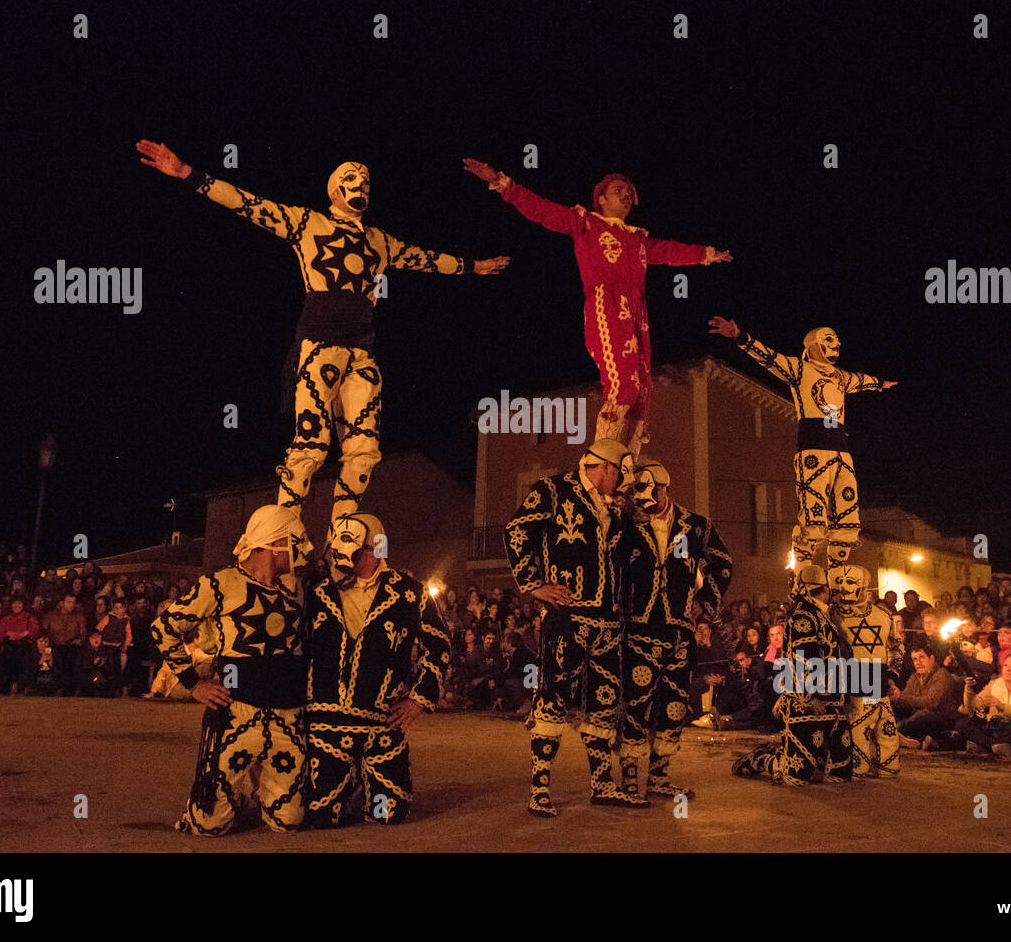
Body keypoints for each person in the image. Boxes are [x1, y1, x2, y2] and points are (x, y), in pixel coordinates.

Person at [138, 140, 509, 534]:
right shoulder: (307, 223)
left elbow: (425, 258)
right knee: (310, 447)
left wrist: (473, 267)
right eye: (352, 180)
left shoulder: (379, 241)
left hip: (361, 352)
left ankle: (343, 532)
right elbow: (250, 205)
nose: (361, 187)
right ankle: (281, 531)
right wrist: (188, 174)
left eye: (366, 182)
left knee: (364, 449)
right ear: (334, 190)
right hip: (319, 347)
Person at [464, 157, 731, 454]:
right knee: (623, 385)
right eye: (619, 190)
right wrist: (502, 183)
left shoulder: (638, 239)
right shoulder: (586, 223)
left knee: (641, 391)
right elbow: (540, 210)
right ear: (601, 198)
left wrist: (705, 254)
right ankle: (603, 456)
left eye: (630, 192)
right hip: (607, 304)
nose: (626, 195)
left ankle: (626, 464)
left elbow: (668, 251)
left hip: (637, 313)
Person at [152, 505, 311, 836]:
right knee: (208, 825)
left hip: (288, 716)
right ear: (276, 542)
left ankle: (254, 792)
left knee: (288, 822)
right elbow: (163, 629)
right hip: (236, 713)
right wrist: (194, 683)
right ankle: (234, 796)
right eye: (295, 542)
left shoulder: (297, 591)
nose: (301, 550)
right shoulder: (219, 584)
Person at [709, 316, 895, 590]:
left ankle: (837, 579)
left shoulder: (841, 377)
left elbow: (861, 380)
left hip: (842, 454)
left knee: (848, 520)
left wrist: (880, 383)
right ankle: (804, 579)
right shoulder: (798, 368)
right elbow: (769, 358)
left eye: (837, 341)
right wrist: (740, 336)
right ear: (814, 346)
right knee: (814, 521)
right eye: (829, 340)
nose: (837, 345)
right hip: (813, 452)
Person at [504, 438, 637, 815]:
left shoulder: (615, 506)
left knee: (604, 702)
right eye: (620, 473)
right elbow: (516, 531)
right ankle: (539, 787)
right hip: (567, 616)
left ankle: (602, 784)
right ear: (606, 468)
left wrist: (629, 517)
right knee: (554, 697)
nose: (622, 482)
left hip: (608, 620)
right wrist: (534, 584)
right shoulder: (552, 489)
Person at [303, 512, 450, 826]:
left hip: (381, 724)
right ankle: (348, 784)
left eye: (356, 545)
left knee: (388, 814)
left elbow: (439, 646)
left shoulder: (410, 593)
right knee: (322, 816)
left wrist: (419, 699)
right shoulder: (316, 590)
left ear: (377, 548)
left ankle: (364, 782)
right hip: (326, 725)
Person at [613, 459, 733, 802]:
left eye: (653, 491)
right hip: (638, 628)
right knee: (637, 703)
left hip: (680, 632)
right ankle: (632, 778)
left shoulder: (696, 527)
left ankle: (660, 777)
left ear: (668, 488)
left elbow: (723, 564)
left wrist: (705, 607)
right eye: (639, 492)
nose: (646, 499)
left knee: (673, 705)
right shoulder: (628, 525)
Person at [733, 564, 853, 785]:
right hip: (807, 701)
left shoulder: (823, 615)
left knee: (841, 771)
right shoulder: (803, 618)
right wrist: (810, 697)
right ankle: (762, 759)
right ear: (822, 589)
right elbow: (800, 660)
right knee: (797, 775)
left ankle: (800, 756)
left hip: (832, 699)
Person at [829, 565, 902, 777]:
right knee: (859, 721)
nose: (843, 588)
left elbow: (896, 647)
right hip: (855, 675)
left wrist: (891, 676)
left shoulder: (883, 615)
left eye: (850, 582)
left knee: (884, 722)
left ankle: (888, 766)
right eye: (840, 583)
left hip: (877, 676)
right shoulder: (834, 615)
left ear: (863, 587)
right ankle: (859, 767)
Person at [939, 654, 1011, 757]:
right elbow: (973, 707)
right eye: (1006, 665)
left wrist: (1002, 706)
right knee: (963, 724)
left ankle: (985, 746)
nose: (1008, 669)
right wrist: (969, 691)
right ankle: (995, 747)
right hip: (994, 730)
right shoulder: (995, 684)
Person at [891, 648, 959, 747]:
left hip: (943, 718)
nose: (918, 662)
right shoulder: (914, 677)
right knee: (893, 710)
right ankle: (912, 740)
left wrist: (902, 696)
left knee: (922, 715)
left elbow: (931, 702)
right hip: (918, 717)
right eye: (915, 659)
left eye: (921, 657)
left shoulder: (941, 675)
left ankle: (894, 733)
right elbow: (906, 701)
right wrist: (894, 697)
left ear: (931, 659)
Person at [0, 596, 40, 693]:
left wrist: (26, 633)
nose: (17, 605)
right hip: (9, 647)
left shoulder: (29, 618)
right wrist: (7, 634)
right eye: (14, 603)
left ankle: (23, 686)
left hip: (25, 647)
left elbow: (35, 631)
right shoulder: (6, 619)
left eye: (19, 603)